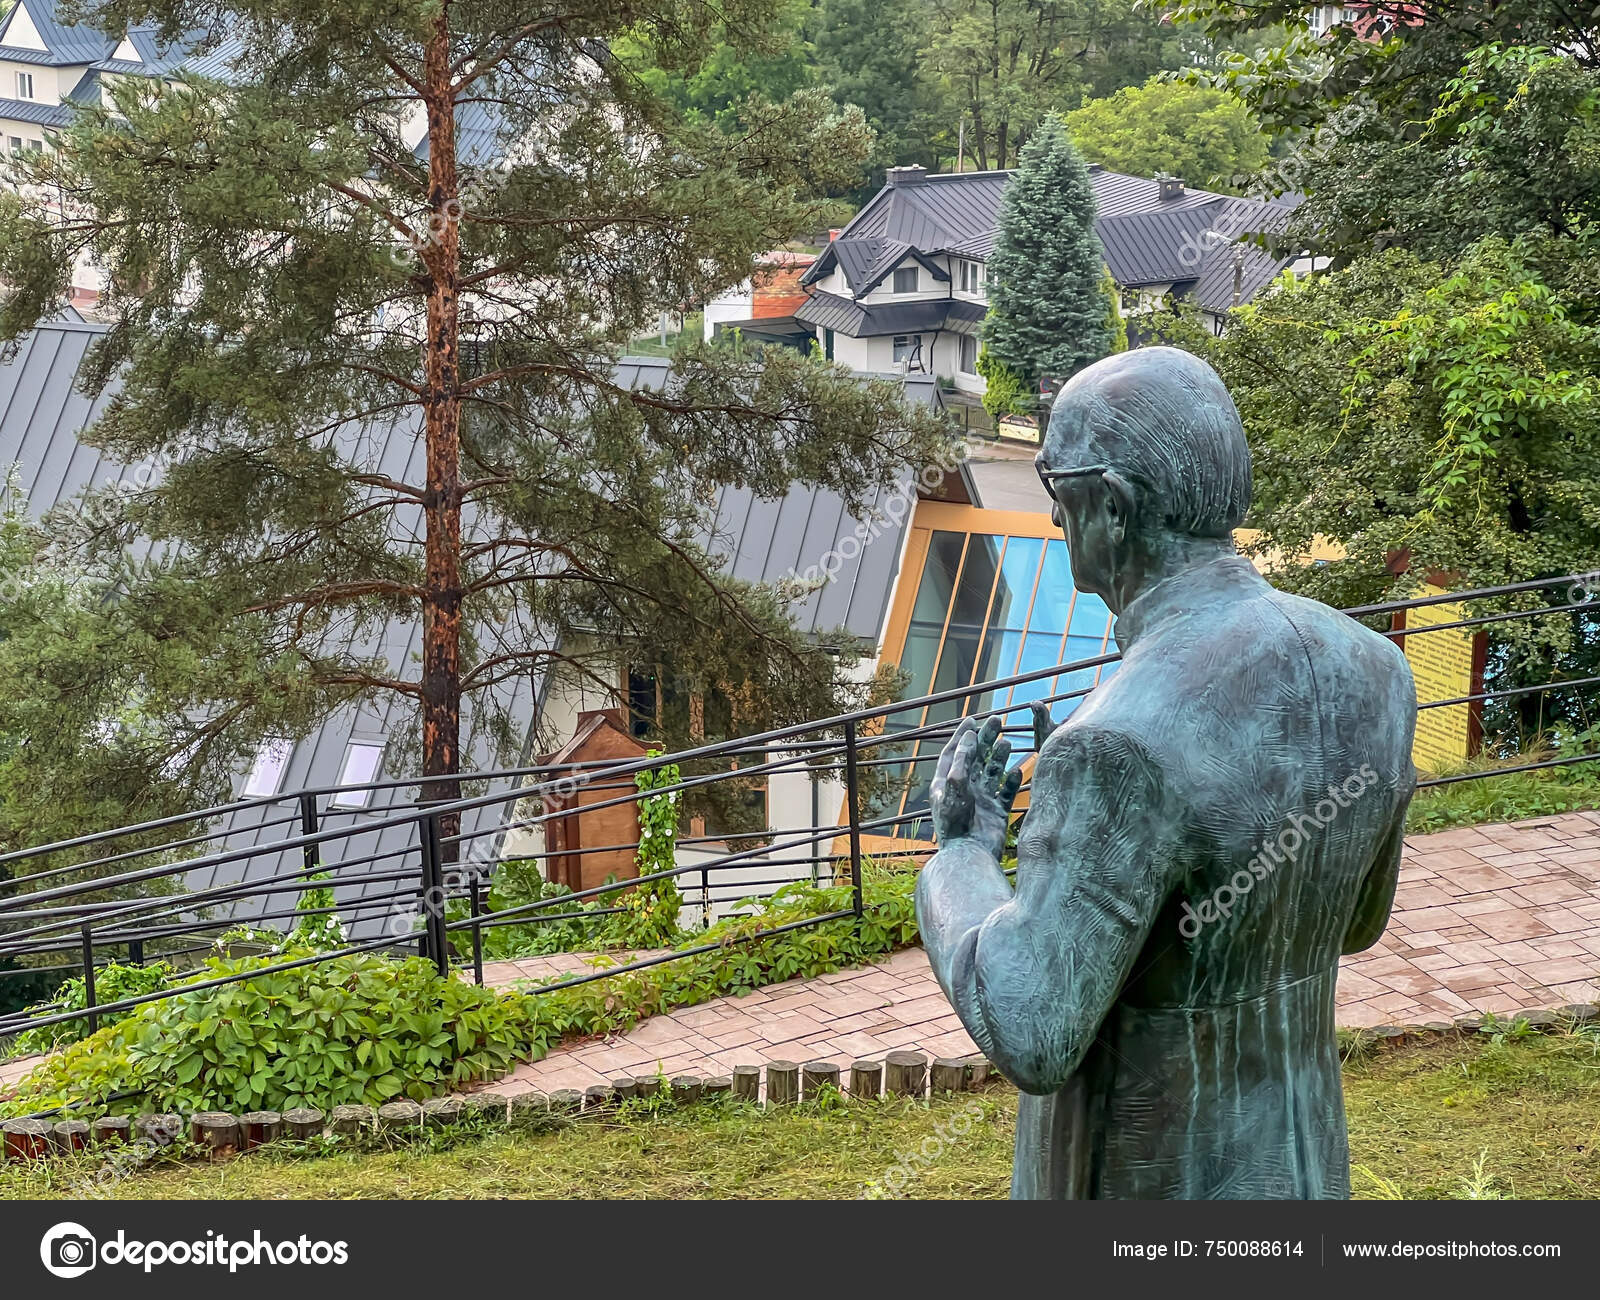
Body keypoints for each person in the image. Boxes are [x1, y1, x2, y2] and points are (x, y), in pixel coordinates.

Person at [916, 346, 1416, 1198]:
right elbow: (1356, 922)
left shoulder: (1111, 745)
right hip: (1302, 1166)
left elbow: (1032, 1025)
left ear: (1111, 507)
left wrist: (962, 853)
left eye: (1059, 496)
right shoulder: (1373, 668)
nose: (1055, 522)